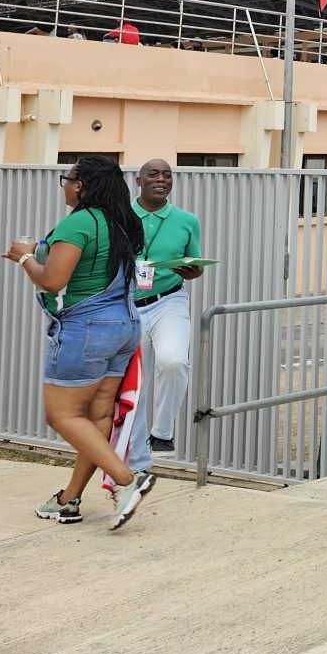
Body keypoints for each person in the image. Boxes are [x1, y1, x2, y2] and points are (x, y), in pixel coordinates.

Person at [4, 156, 156, 530]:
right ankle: (69, 500)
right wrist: (38, 248)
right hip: (124, 326)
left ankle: (127, 480)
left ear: (82, 186)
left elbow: (52, 280)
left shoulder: (78, 223)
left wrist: (23, 256)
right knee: (96, 418)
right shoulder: (123, 221)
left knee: (62, 415)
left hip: (86, 331)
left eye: (67, 179)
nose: (65, 186)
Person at [123, 159, 205, 473]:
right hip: (127, 303)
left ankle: (162, 434)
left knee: (173, 360)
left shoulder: (187, 220)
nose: (161, 179)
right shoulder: (121, 216)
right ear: (139, 181)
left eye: (167, 175)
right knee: (132, 375)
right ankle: (134, 440)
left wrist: (194, 270)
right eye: (153, 174)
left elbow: (194, 262)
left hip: (169, 299)